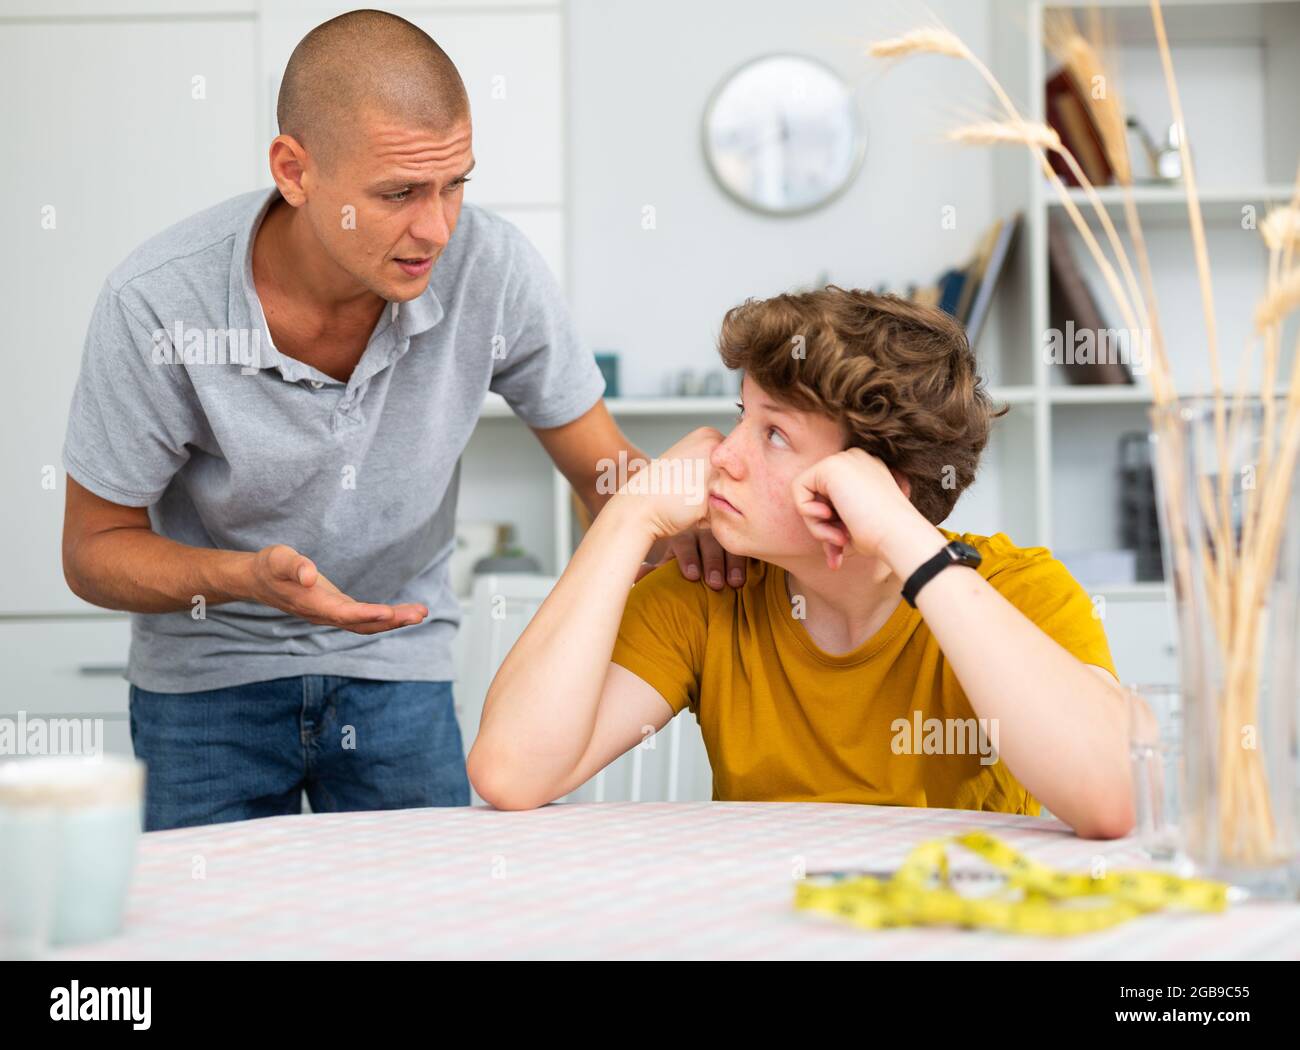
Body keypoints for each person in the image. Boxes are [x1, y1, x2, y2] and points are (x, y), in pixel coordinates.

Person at [59, 9, 742, 832]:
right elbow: (93, 553)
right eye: (399, 194)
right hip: (209, 681)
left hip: (399, 669)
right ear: (294, 170)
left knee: (425, 933)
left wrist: (703, 512)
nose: (438, 228)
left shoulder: (490, 268)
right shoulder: (159, 302)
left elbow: (603, 471)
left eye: (457, 184)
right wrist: (245, 580)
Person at [468, 287, 1135, 839]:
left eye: (775, 434)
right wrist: (630, 514)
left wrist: (904, 540)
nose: (722, 455)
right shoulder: (712, 587)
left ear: (875, 484)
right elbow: (511, 772)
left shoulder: (1014, 591)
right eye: (741, 416)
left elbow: (1112, 799)